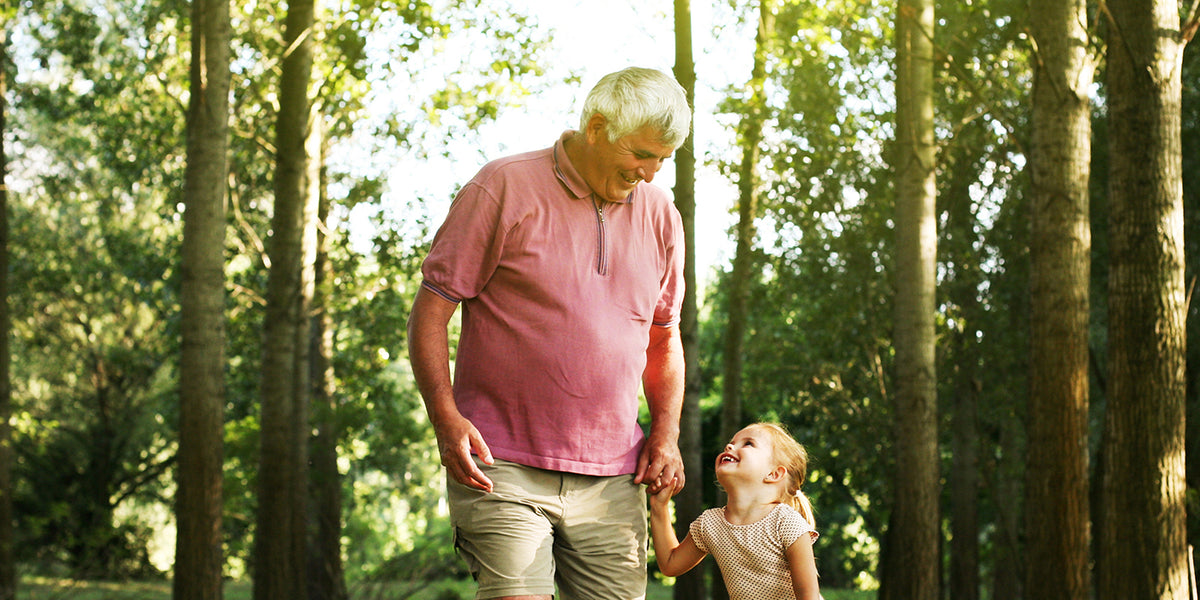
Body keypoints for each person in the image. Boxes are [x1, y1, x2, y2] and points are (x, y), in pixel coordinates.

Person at [406, 66, 692, 600]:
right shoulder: (503, 187)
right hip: (501, 466)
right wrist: (445, 418)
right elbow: (430, 310)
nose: (650, 173)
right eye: (642, 154)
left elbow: (663, 337)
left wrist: (666, 434)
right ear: (598, 126)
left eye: (662, 159)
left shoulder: (661, 214)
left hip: (614, 477)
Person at [649, 422, 820, 600]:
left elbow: (809, 596)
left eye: (748, 443)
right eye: (730, 443)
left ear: (774, 474)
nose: (730, 446)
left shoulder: (785, 521)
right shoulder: (710, 523)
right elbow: (670, 564)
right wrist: (659, 507)